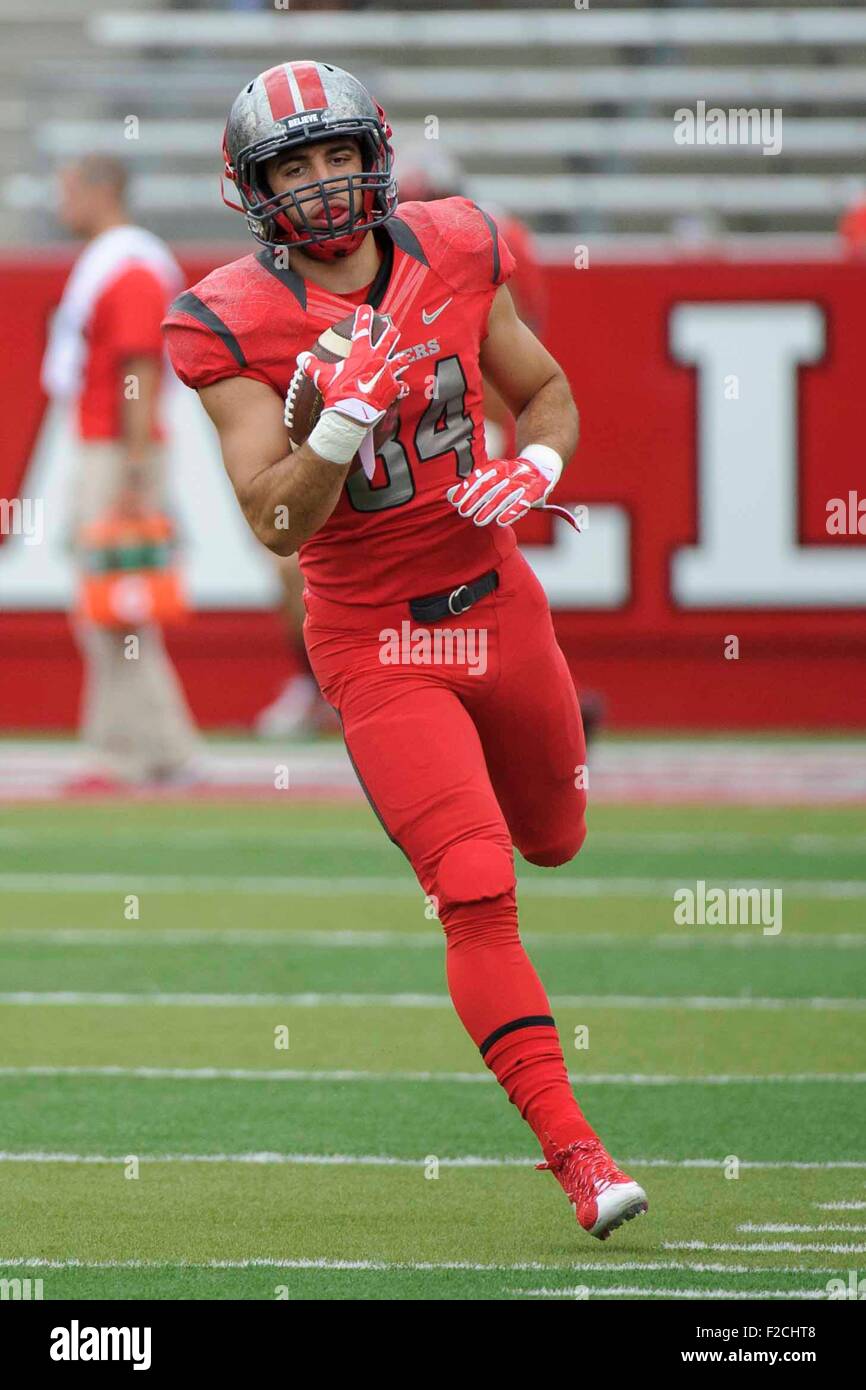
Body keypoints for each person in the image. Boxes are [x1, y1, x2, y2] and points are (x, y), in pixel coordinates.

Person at [163, 60, 648, 1240]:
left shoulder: (459, 244)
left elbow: (542, 392)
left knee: (555, 840)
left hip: (499, 600)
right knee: (475, 892)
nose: (325, 184)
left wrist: (534, 465)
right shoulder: (225, 314)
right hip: (372, 641)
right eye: (296, 165)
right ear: (254, 190)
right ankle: (578, 1156)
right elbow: (274, 521)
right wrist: (336, 424)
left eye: (338, 155)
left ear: (375, 153)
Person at [42, 156, 201, 791]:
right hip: (112, 447)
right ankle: (149, 746)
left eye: (68, 190)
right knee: (114, 609)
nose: (61, 204)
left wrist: (135, 468)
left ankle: (134, 752)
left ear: (101, 192)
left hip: (118, 452)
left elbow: (138, 372)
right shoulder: (122, 262)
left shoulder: (128, 267)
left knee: (115, 609)